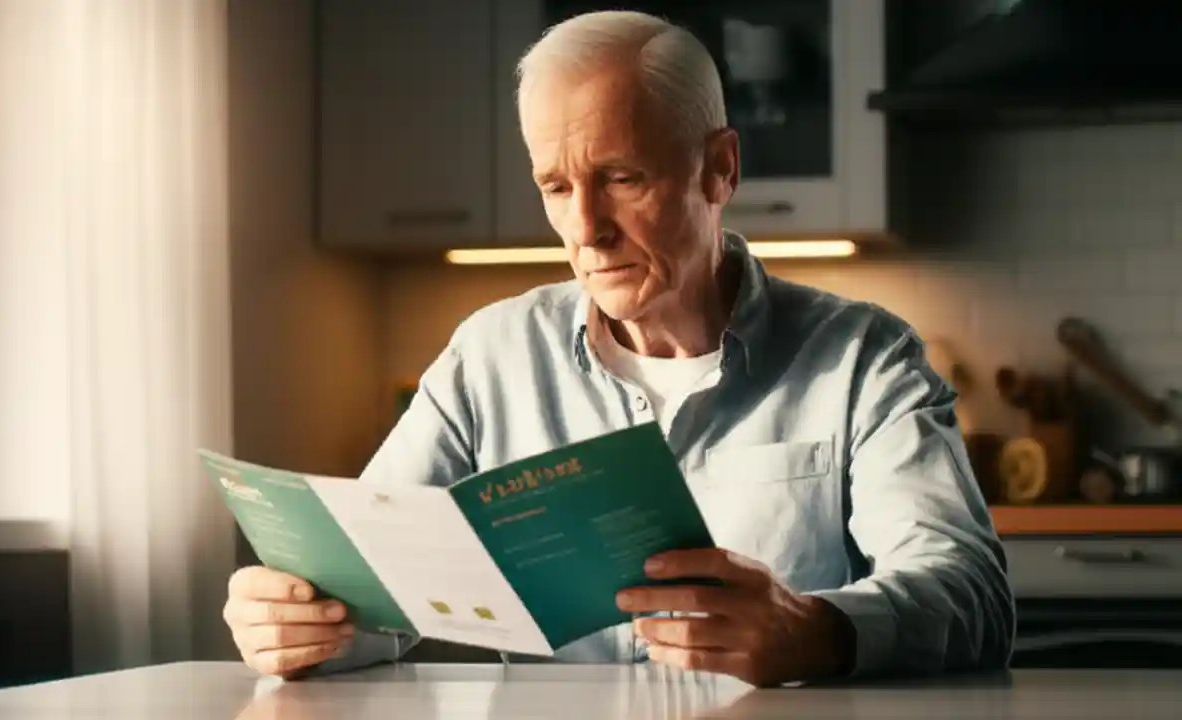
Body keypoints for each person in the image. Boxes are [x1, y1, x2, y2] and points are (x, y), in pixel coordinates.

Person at [223, 10, 1014, 687]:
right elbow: (373, 593)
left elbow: (972, 597)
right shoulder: (489, 358)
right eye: (556, 187)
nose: (585, 230)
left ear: (720, 169)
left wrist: (816, 628)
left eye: (622, 178)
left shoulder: (861, 359)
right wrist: (301, 628)